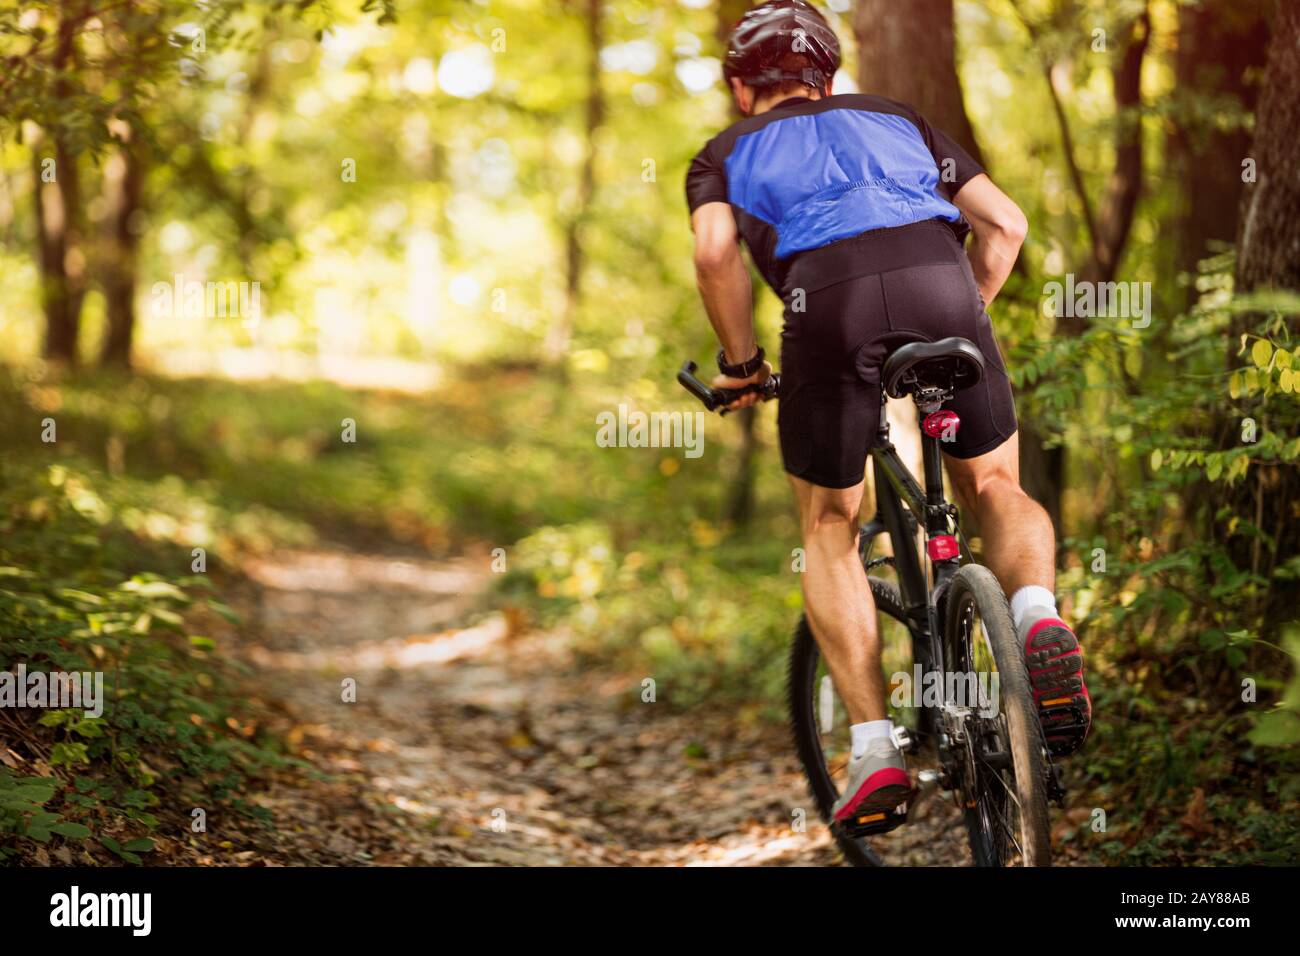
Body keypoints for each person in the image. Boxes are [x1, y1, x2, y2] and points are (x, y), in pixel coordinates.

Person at [685, 0, 1091, 824]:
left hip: (823, 303)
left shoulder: (724, 152)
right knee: (996, 484)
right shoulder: (898, 117)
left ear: (740, 87)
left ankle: (874, 752)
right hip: (940, 284)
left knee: (831, 523)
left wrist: (741, 365)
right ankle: (1037, 617)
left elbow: (714, 250)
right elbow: (1006, 225)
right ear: (829, 75)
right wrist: (958, 318)